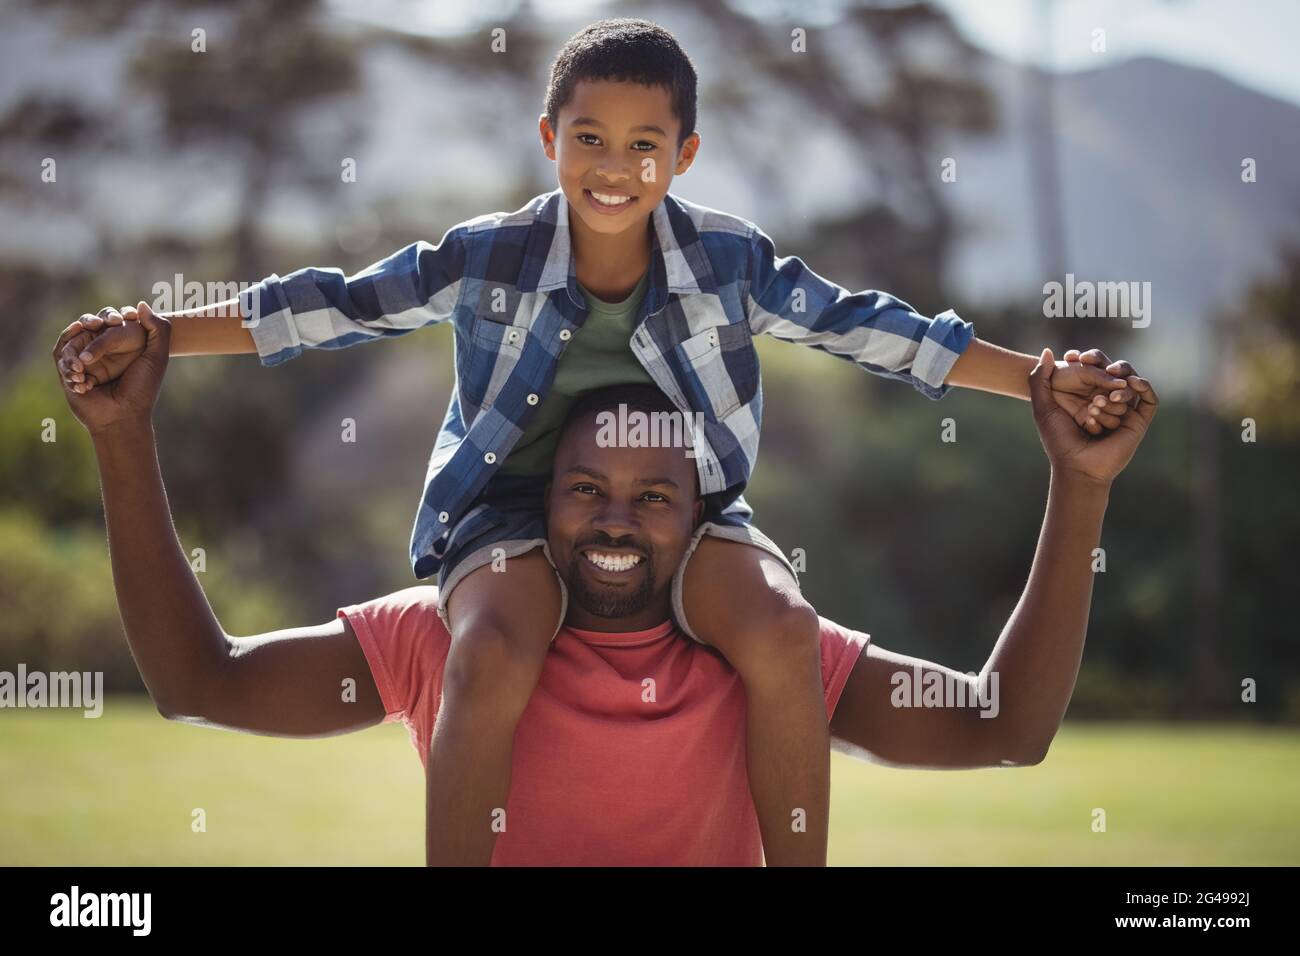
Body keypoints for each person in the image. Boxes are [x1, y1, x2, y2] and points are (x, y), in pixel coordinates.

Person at [51, 18, 1150, 865]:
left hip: (711, 513)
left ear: (684, 153)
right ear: (547, 140)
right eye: (587, 138)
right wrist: (161, 338)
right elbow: (335, 303)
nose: (613, 166)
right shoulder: (489, 256)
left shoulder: (725, 263)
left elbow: (875, 329)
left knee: (776, 621)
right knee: (490, 647)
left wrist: (1039, 383)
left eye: (643, 144)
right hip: (497, 518)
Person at [54, 306, 1157, 865]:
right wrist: (123, 432)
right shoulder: (450, 637)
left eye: (655, 494)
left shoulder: (767, 652)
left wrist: (1081, 485)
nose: (617, 517)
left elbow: (1005, 726)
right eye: (585, 486)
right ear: (539, 501)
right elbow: (202, 680)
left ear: (706, 517)